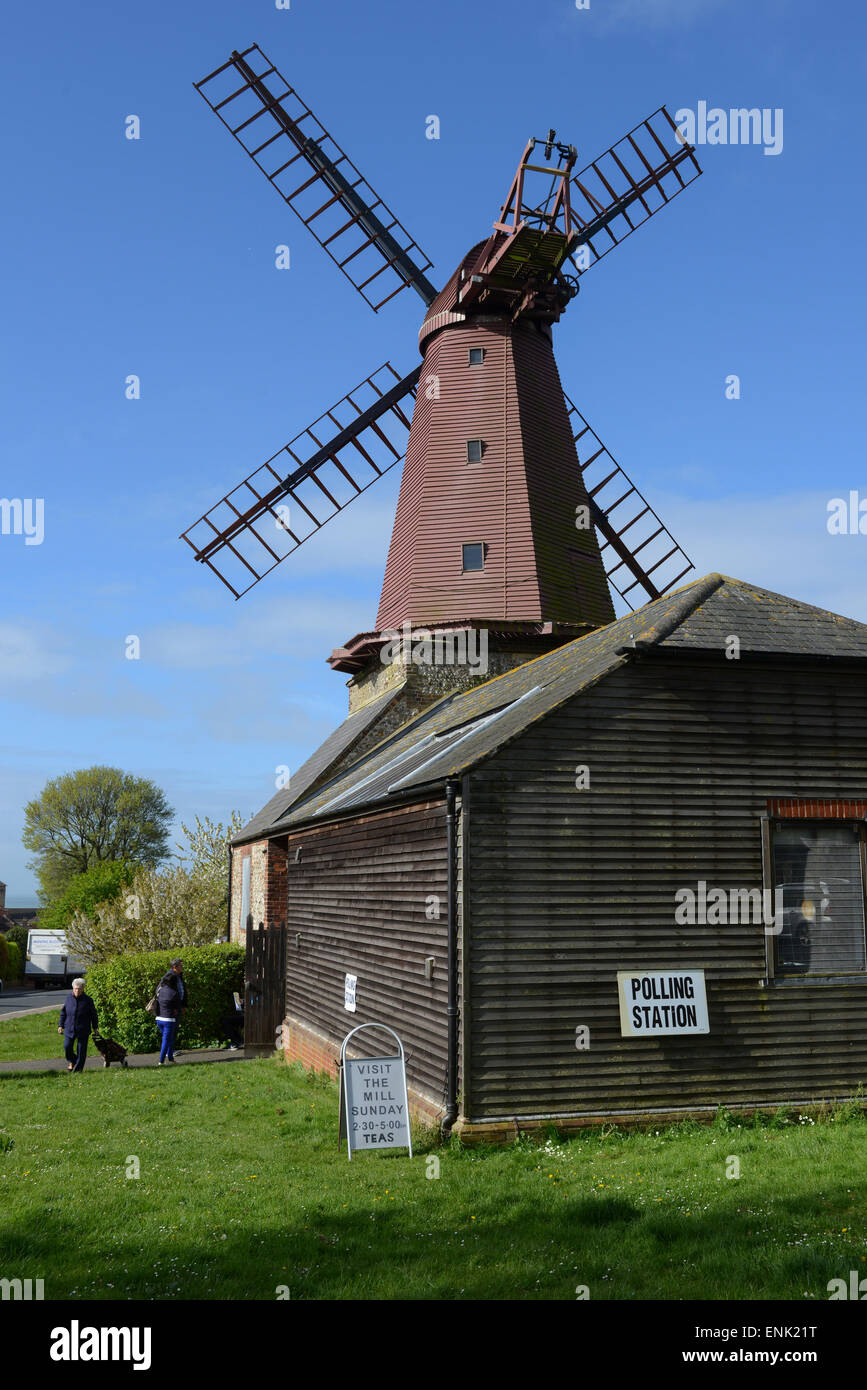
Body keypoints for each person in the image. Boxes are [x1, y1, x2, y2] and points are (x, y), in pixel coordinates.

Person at [58, 978, 98, 1072]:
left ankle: (78, 1070)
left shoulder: (88, 1000)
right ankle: (72, 1060)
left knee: (81, 1050)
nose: (77, 990)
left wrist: (95, 1027)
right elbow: (63, 1012)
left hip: (83, 1029)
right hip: (69, 1028)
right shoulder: (68, 998)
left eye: (79, 989)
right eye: (75, 988)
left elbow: (93, 1014)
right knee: (67, 1047)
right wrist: (60, 1025)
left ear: (83, 989)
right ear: (73, 988)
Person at [154, 959, 188, 1065]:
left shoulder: (179, 975)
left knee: (172, 1032)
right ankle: (163, 1059)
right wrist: (175, 1005)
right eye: (180, 965)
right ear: (175, 967)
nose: (182, 967)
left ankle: (170, 1057)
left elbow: (182, 990)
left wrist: (183, 1004)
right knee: (169, 1034)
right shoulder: (170, 977)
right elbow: (160, 990)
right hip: (170, 1011)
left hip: (175, 1007)